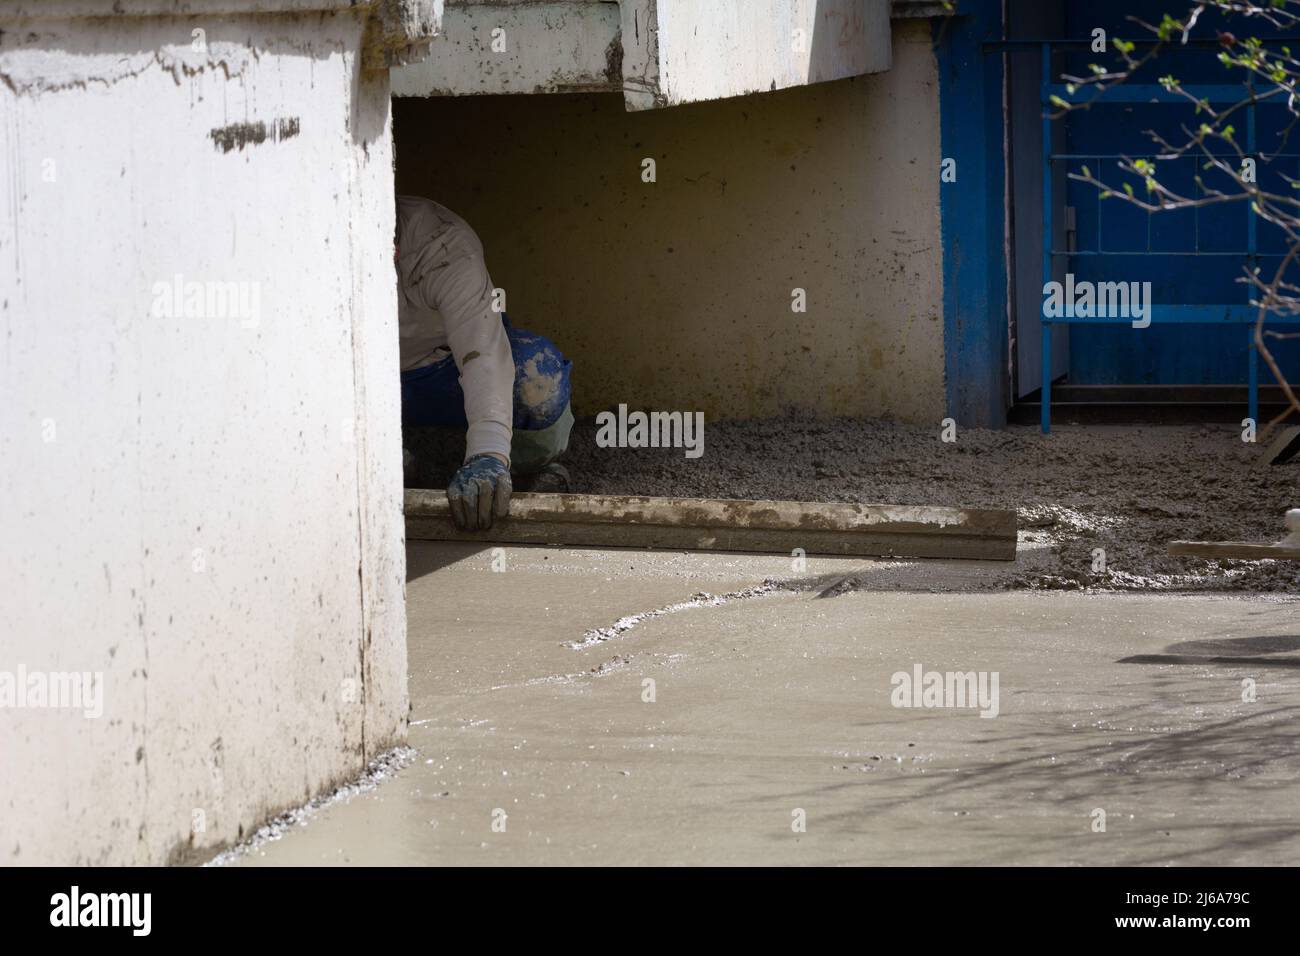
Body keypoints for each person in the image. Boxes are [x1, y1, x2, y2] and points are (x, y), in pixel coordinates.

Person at [395, 195, 573, 530]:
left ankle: (522, 465)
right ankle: (405, 458)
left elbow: (482, 354)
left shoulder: (442, 243)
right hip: (367, 386)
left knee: (538, 384)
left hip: (444, 371)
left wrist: (488, 455)